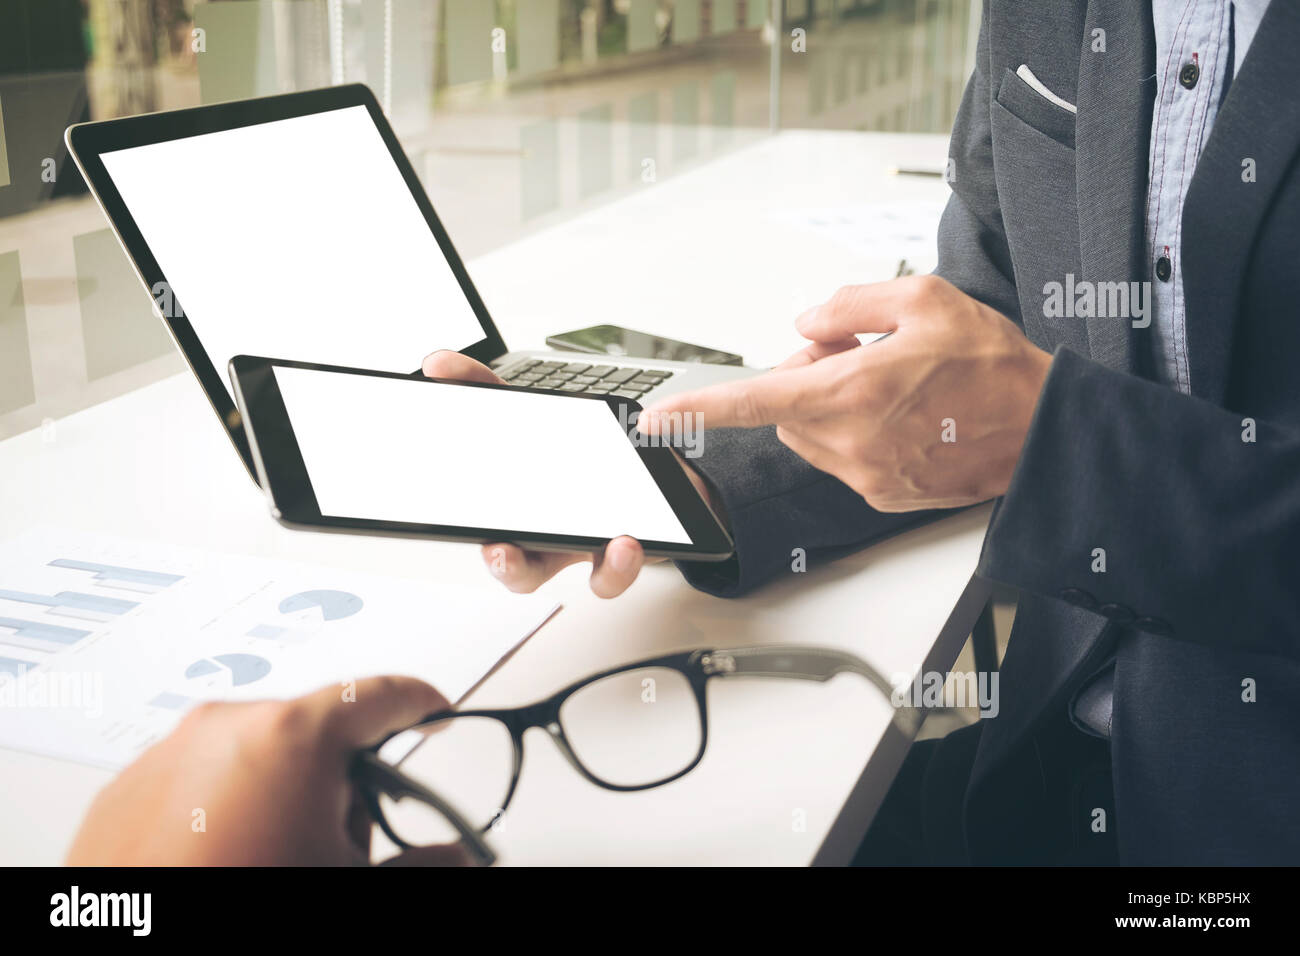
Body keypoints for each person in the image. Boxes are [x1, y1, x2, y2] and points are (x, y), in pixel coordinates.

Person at [425, 0, 1300, 865]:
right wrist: (693, 487)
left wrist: (1060, 445)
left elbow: (1030, 401)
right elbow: (1004, 305)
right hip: (1031, 763)